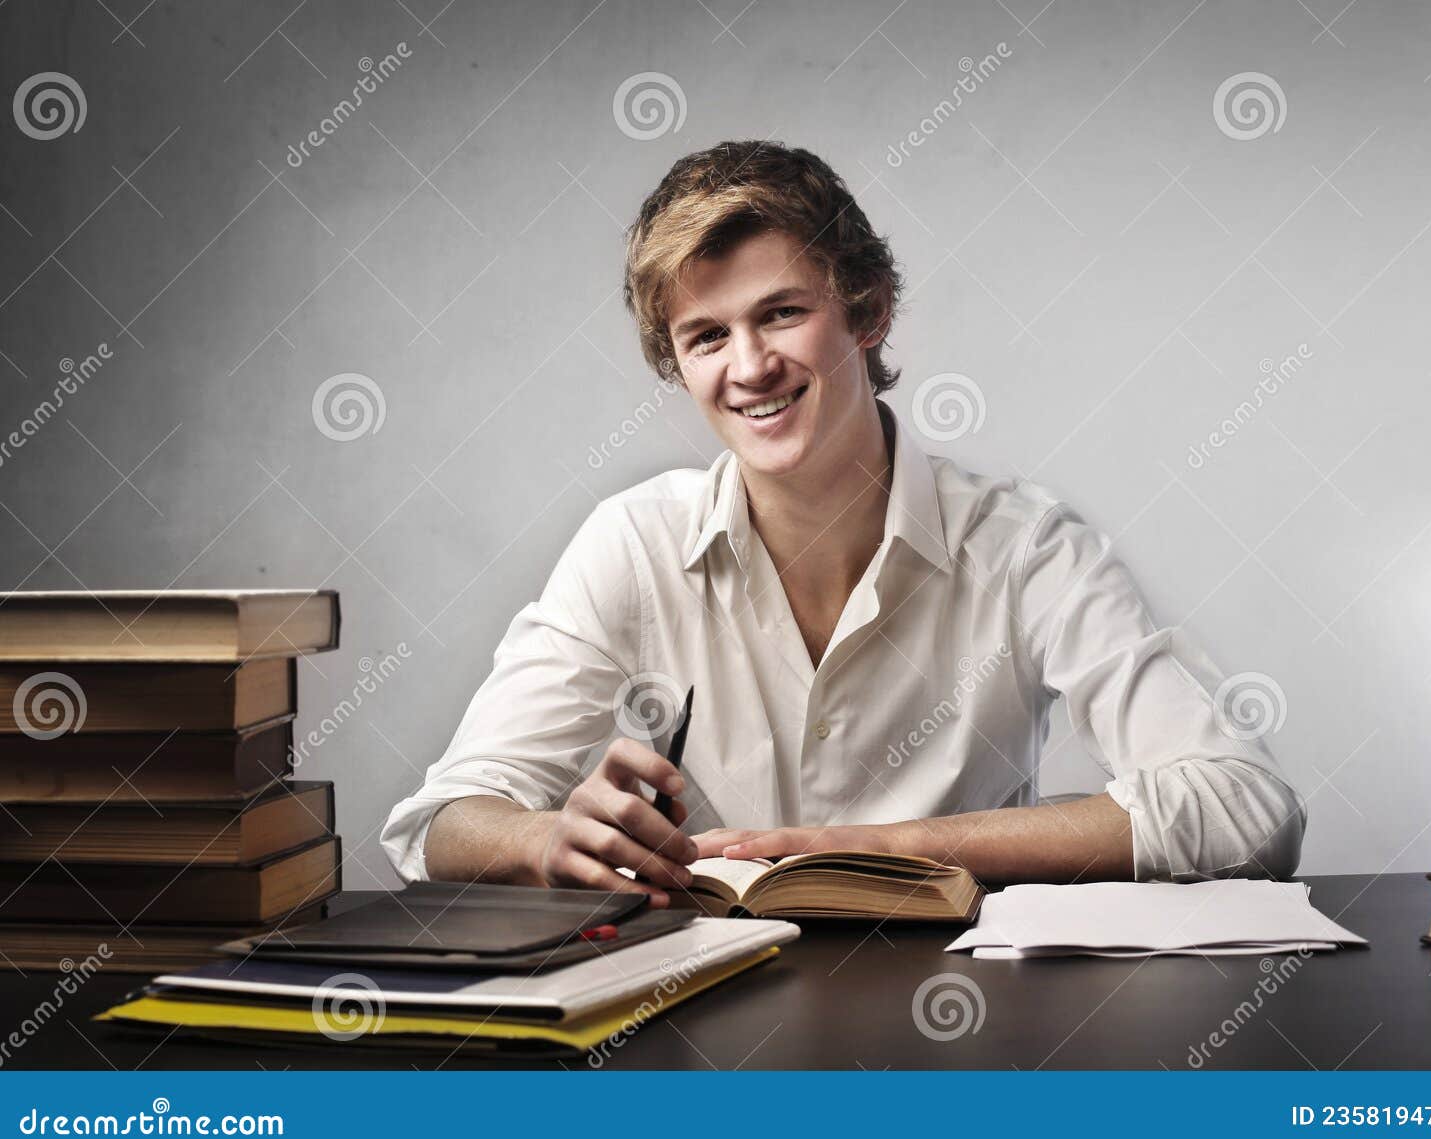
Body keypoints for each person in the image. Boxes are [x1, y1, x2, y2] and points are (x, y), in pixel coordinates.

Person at [380, 140, 1305, 904]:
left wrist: (880, 846)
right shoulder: (634, 543)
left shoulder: (1024, 546)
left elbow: (1246, 805)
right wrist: (550, 838)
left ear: (866, 310)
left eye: (781, 314)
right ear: (679, 363)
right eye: (707, 336)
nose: (749, 367)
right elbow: (441, 821)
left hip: (969, 1023)